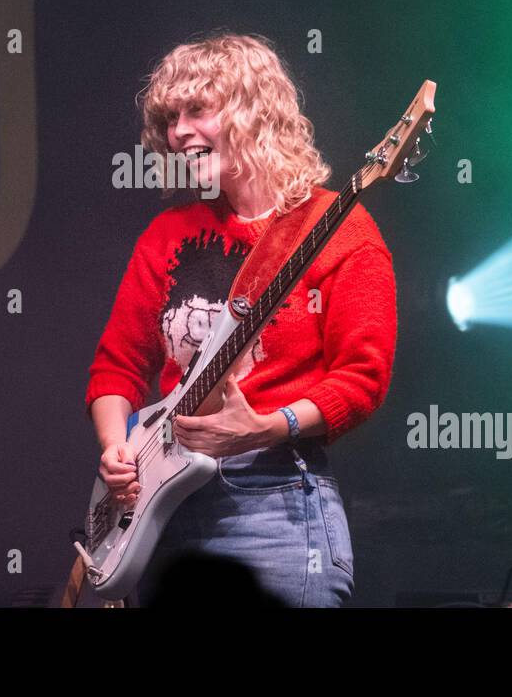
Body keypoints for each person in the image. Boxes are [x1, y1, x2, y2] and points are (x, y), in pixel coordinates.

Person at [86, 34, 397, 607]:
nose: (178, 131)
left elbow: (361, 378)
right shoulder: (166, 236)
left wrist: (263, 428)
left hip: (276, 505)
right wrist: (116, 449)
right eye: (171, 118)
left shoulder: (340, 230)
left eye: (197, 110)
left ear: (255, 112)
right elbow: (116, 368)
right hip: (163, 511)